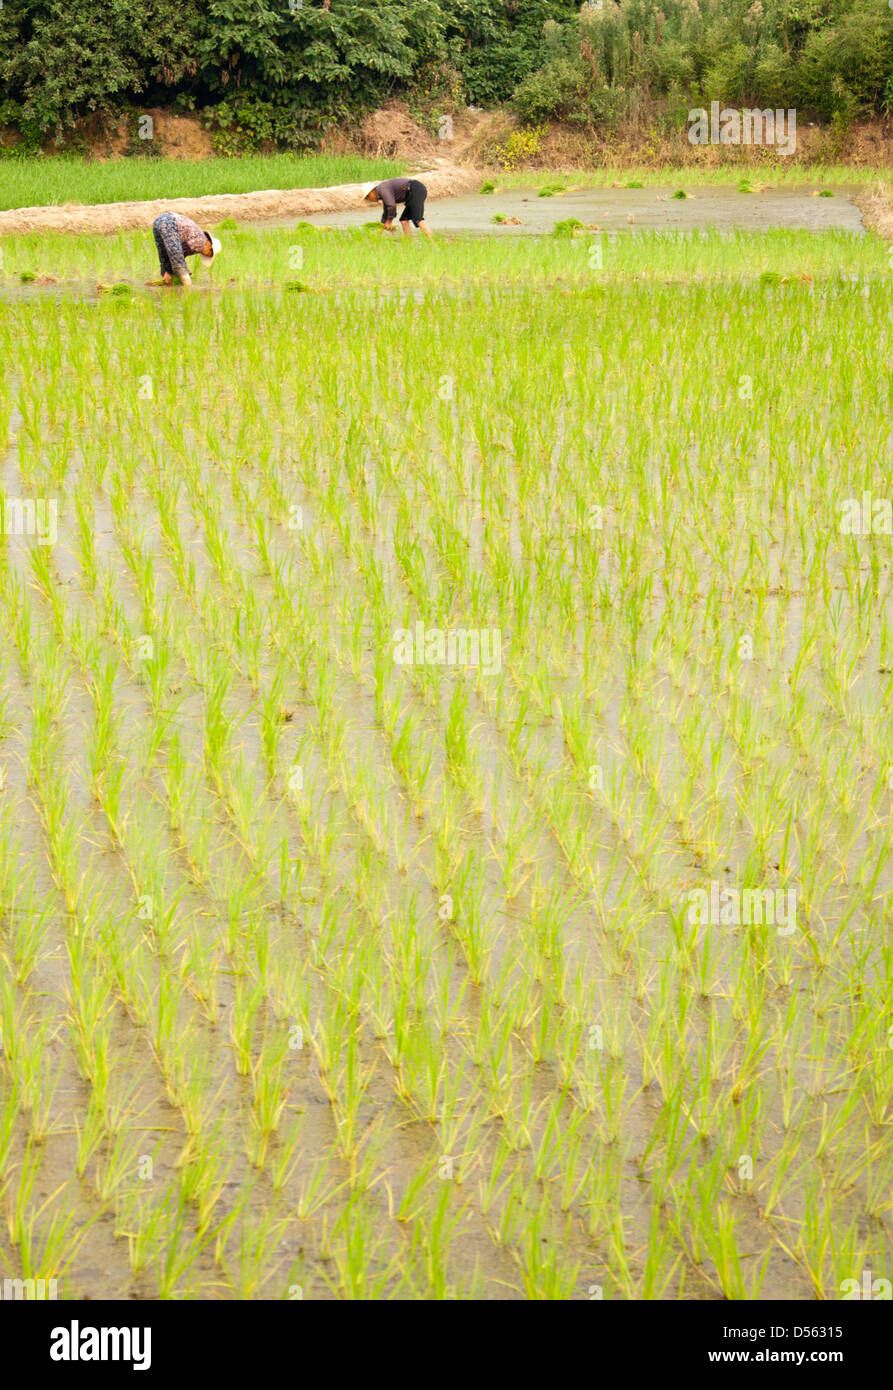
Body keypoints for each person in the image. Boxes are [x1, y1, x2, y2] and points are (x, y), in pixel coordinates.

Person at [151, 212, 221, 287]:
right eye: (208, 253)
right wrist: (181, 272)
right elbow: (178, 253)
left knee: (163, 255)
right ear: (210, 245)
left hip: (158, 222)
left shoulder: (198, 235)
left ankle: (167, 283)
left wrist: (167, 270)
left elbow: (167, 253)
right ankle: (189, 290)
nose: (204, 254)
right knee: (180, 266)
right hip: (170, 223)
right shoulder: (201, 242)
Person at [362, 178, 433, 239]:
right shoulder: (382, 192)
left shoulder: (382, 189)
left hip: (415, 189)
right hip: (412, 193)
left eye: (368, 198)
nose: (370, 200)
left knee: (418, 219)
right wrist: (381, 229)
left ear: (371, 193)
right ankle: (408, 244)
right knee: (404, 220)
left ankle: (434, 244)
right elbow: (386, 213)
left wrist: (389, 221)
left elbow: (391, 206)